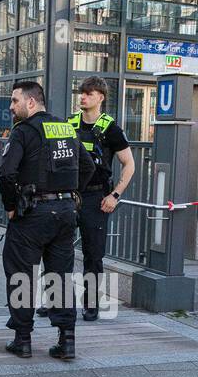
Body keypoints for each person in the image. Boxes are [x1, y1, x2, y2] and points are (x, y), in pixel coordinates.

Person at [0, 79, 94, 360]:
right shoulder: (65, 128)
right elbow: (88, 167)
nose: (11, 106)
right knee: (60, 277)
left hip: (32, 214)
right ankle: (67, 341)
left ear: (31, 102)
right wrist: (69, 193)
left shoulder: (23, 131)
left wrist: (11, 207)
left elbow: (6, 175)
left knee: (20, 276)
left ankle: (23, 339)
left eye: (15, 101)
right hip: (65, 214)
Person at [35, 76, 133, 321]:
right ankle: (54, 300)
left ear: (100, 97)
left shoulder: (110, 128)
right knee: (57, 249)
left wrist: (115, 195)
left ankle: (91, 304)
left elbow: (129, 164)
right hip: (68, 196)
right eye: (81, 93)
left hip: (96, 198)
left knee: (93, 254)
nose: (83, 97)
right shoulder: (69, 123)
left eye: (88, 93)